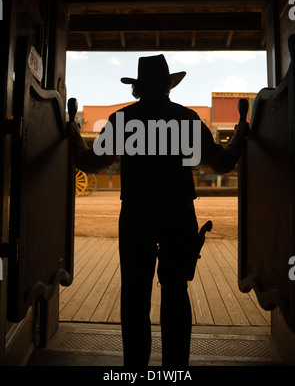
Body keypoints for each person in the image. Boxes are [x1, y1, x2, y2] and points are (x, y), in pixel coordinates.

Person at [67, 54, 249, 367]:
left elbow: (90, 163)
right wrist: (241, 132)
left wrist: (72, 132)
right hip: (178, 213)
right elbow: (221, 163)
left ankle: (135, 370)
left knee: (135, 297)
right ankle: (175, 370)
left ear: (138, 88)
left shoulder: (122, 120)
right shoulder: (187, 119)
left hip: (136, 214)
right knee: (176, 291)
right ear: (168, 86)